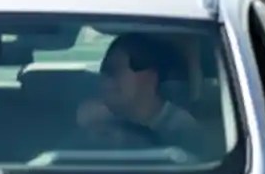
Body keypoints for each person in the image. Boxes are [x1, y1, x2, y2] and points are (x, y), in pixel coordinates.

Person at [76, 33, 205, 155]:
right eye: (103, 72)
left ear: (149, 77)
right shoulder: (98, 120)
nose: (105, 80)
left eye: (113, 71)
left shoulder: (183, 131)